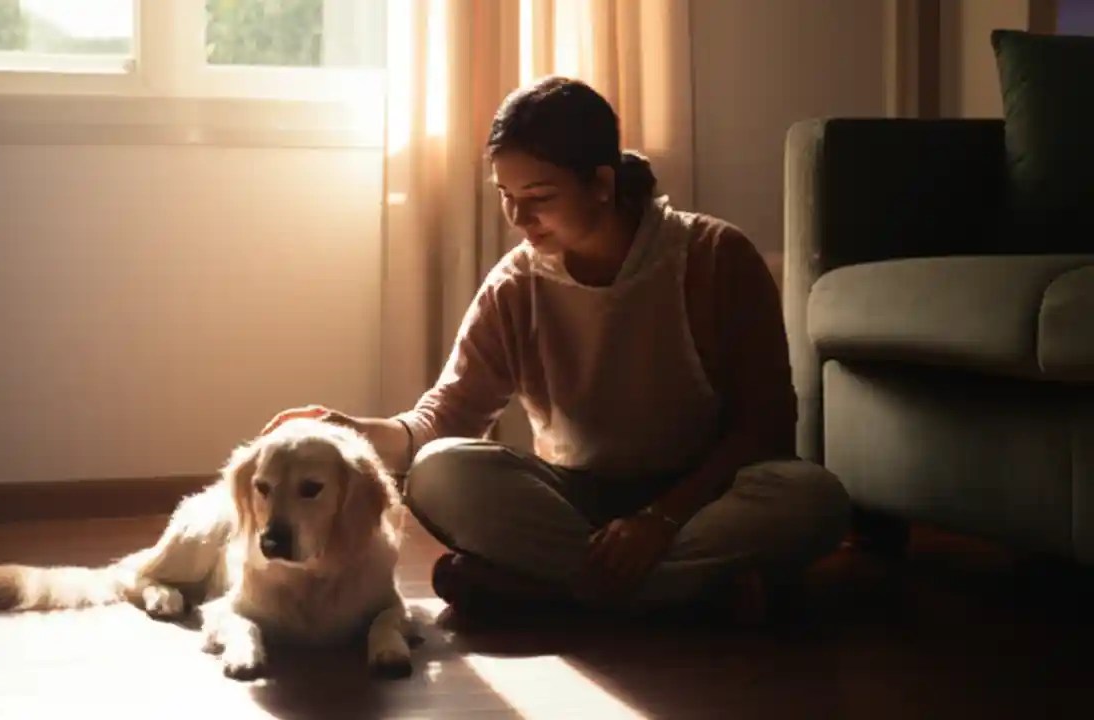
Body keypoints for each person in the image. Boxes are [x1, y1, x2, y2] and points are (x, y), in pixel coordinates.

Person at [262, 76, 850, 624]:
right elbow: (443, 419)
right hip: (573, 506)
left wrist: (659, 520)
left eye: (538, 196)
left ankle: (552, 592)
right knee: (441, 471)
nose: (518, 218)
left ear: (601, 183)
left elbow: (767, 424)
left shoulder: (715, 256)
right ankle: (689, 598)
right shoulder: (516, 285)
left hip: (701, 500)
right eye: (505, 195)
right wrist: (350, 432)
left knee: (813, 498)